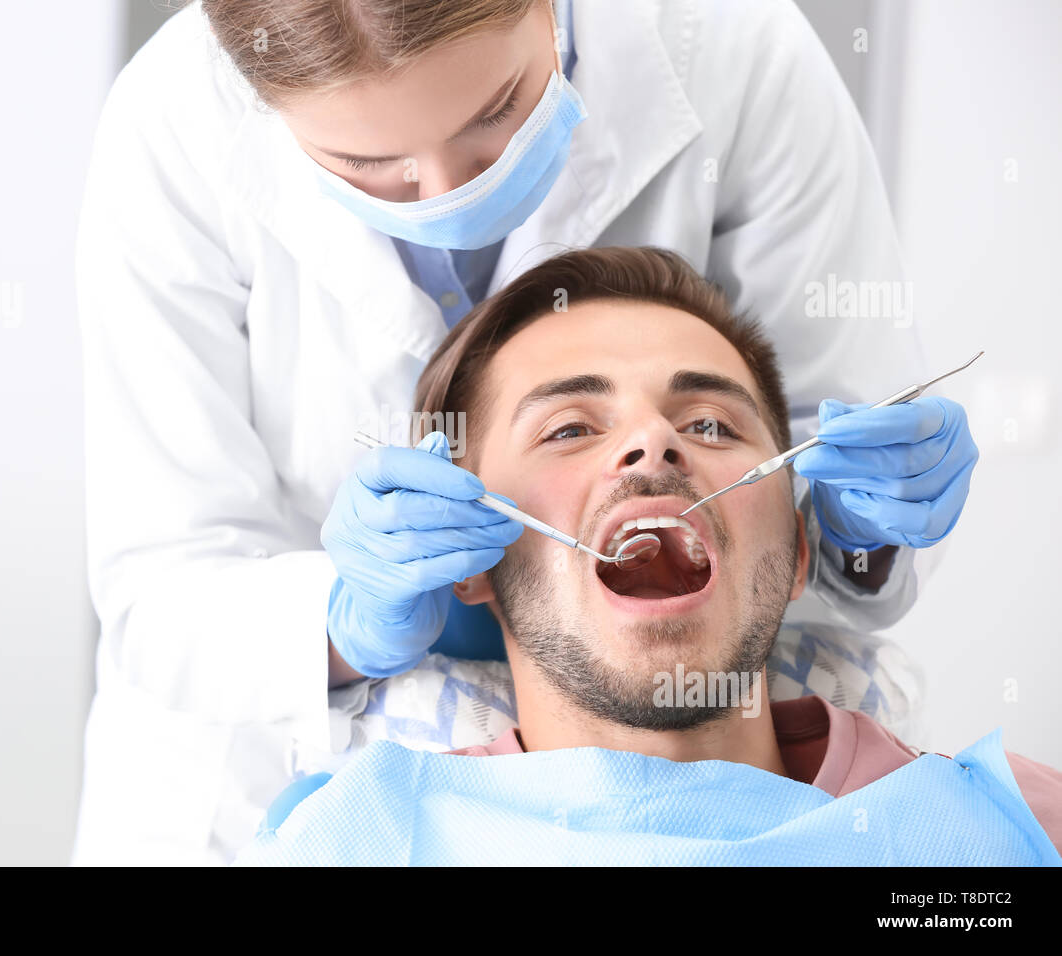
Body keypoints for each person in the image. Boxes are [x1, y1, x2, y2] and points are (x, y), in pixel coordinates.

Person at [71, 0, 978, 863]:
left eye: (496, 111)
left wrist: (863, 530)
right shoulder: (175, 130)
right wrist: (349, 618)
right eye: (364, 163)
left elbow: (834, 428)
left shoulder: (975, 836)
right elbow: (165, 578)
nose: (442, 194)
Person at [238, 248, 1056, 866]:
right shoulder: (356, 836)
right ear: (469, 557)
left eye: (710, 424)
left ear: (804, 546)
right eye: (569, 428)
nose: (652, 442)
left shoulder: (1009, 828)